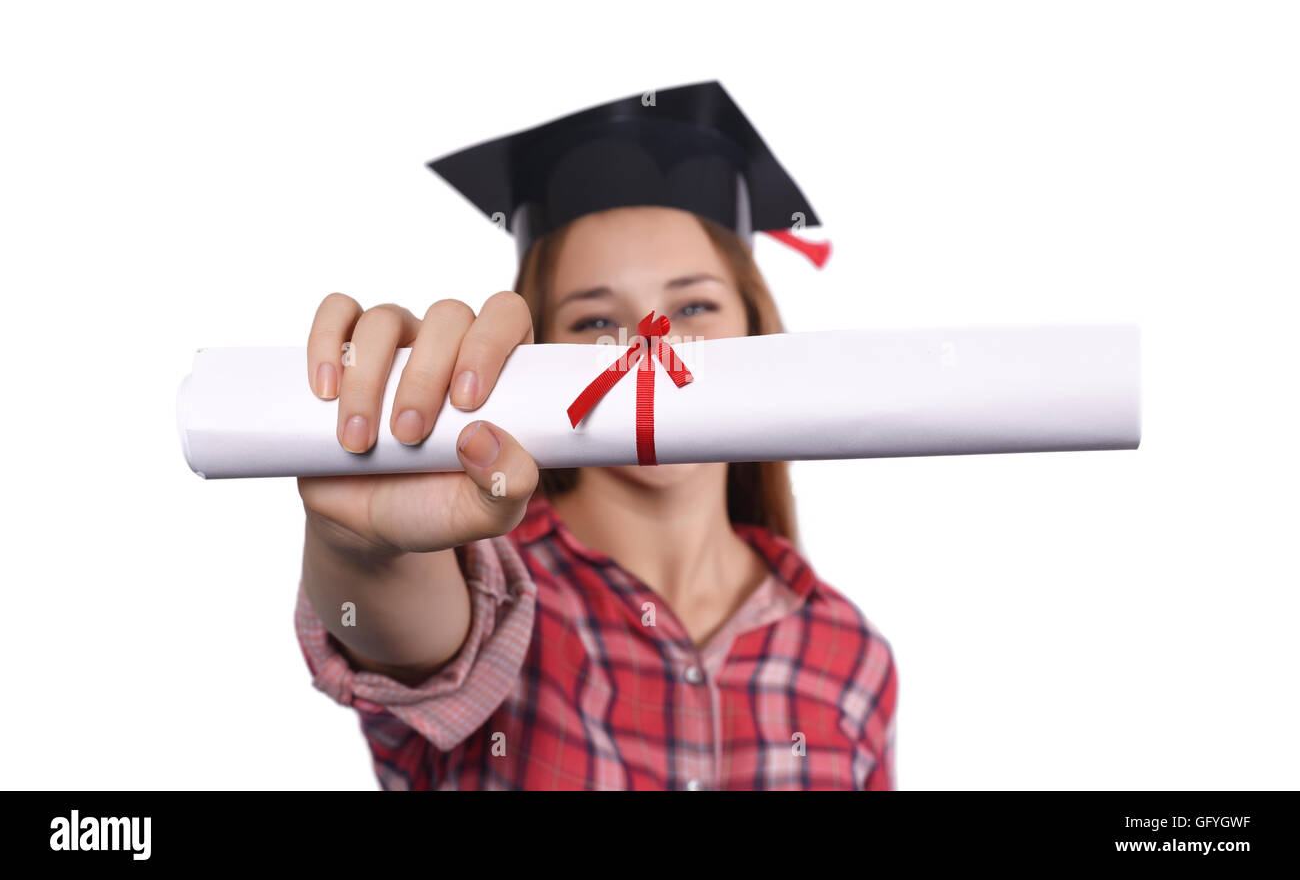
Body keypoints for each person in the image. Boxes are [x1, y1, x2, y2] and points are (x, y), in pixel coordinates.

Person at [294, 81, 897, 789]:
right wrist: (367, 546)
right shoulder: (495, 585)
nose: (649, 342)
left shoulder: (848, 654)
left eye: (694, 304)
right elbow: (401, 621)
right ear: (537, 352)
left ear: (754, 330)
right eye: (592, 321)